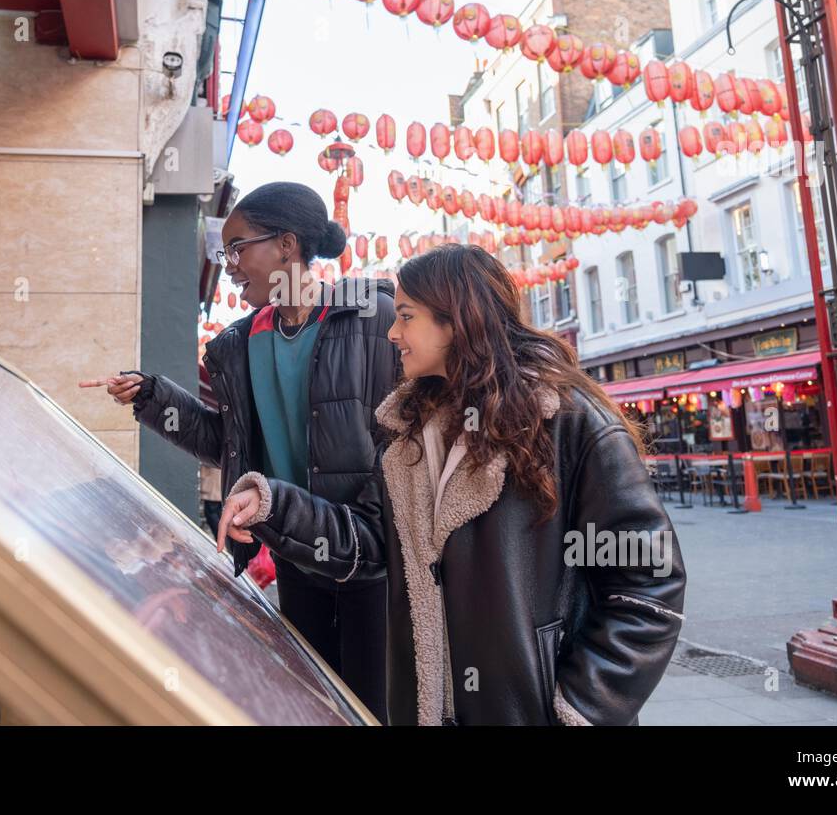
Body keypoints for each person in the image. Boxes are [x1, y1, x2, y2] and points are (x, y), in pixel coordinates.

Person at [224, 243, 686, 725]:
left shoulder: (567, 423)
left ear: (456, 320)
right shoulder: (406, 436)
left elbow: (649, 585)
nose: (392, 332)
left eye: (406, 316)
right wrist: (273, 507)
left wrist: (579, 708)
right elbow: (372, 540)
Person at [82, 181, 399, 722]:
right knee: (313, 703)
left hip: (375, 559)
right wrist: (155, 398)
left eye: (237, 248)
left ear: (288, 246)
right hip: (295, 553)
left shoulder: (372, 318)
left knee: (375, 706)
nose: (227, 264)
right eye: (224, 252)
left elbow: (403, 438)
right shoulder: (235, 344)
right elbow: (226, 445)